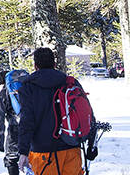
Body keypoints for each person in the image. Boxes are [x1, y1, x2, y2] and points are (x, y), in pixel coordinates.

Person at [16, 47, 83, 175]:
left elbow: (27, 121)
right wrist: (90, 142)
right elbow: (85, 113)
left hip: (43, 152)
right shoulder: (70, 83)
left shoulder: (28, 88)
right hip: (72, 147)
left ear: (35, 66)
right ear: (54, 64)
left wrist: (23, 151)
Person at [0, 69, 29, 174]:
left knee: (11, 159)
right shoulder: (27, 89)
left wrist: (0, 142)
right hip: (31, 128)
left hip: (14, 129)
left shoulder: (2, 95)